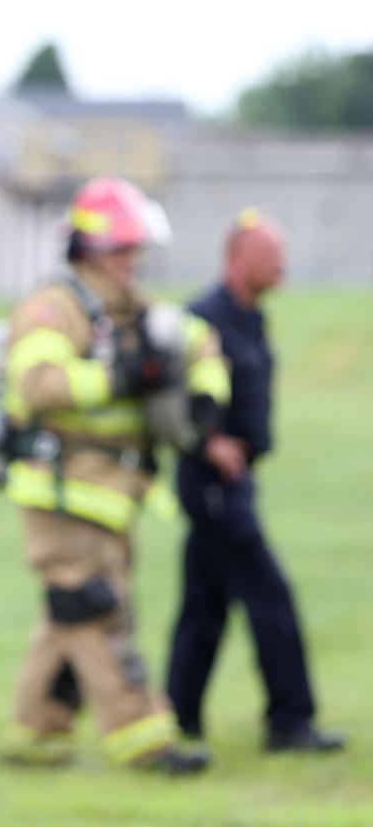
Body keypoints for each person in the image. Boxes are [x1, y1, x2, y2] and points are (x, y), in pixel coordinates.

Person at [0, 177, 229, 774]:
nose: (133, 261)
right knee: (96, 613)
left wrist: (206, 396)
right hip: (63, 492)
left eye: (136, 250)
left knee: (68, 615)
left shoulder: (135, 307)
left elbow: (203, 344)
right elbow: (36, 383)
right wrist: (121, 378)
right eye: (122, 249)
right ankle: (146, 741)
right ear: (88, 249)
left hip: (115, 493)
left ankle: (37, 733)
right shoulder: (55, 307)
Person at [165, 208, 345, 753]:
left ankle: (179, 720)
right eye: (272, 256)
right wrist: (206, 440)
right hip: (212, 483)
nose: (281, 265)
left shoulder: (252, 318)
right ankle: (290, 723)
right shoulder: (200, 318)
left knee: (205, 608)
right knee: (271, 596)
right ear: (237, 259)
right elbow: (165, 395)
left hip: (238, 483)